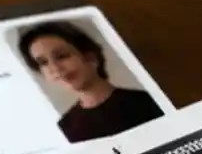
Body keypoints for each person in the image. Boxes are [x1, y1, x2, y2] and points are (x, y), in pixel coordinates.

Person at [18, 21, 163, 143]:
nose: (55, 68)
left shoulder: (148, 102)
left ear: (90, 58)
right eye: (43, 63)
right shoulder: (65, 128)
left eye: (62, 56)